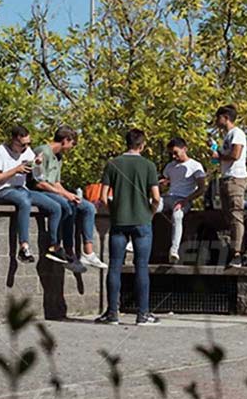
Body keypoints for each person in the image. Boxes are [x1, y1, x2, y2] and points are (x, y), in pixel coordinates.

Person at [96, 128, 161, 326]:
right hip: (142, 221)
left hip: (119, 221)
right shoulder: (148, 165)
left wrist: (114, 210)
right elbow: (156, 197)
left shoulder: (113, 164)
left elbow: (102, 196)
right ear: (142, 145)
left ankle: (112, 313)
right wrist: (150, 211)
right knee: (141, 266)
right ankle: (143, 314)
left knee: (114, 265)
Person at [30, 127, 105, 270]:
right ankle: (67, 251)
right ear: (65, 140)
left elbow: (56, 182)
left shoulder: (58, 157)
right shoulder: (43, 152)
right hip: (40, 191)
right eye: (72, 144)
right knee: (67, 205)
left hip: (54, 191)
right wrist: (65, 195)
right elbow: (39, 182)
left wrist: (70, 194)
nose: (72, 148)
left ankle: (88, 253)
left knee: (88, 207)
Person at [0, 125, 62, 263]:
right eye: (23, 145)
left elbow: (38, 177)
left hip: (21, 189)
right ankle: (24, 247)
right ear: (14, 141)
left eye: (29, 143)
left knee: (55, 206)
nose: (26, 147)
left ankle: (54, 246)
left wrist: (38, 165)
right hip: (2, 190)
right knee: (24, 201)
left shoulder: (28, 152)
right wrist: (16, 170)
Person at [157, 137, 207, 263]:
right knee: (149, 206)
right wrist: (163, 184)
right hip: (169, 197)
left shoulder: (195, 166)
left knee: (177, 215)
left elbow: (202, 188)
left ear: (184, 149)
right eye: (171, 154)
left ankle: (174, 250)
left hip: (184, 198)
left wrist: (186, 200)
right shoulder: (170, 166)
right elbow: (167, 180)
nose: (173, 156)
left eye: (175, 152)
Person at [211, 105, 247, 267]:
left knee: (236, 216)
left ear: (225, 117)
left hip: (236, 178)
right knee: (228, 216)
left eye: (218, 117)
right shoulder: (227, 136)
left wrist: (219, 156)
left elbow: (235, 155)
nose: (216, 121)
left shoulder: (237, 133)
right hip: (226, 178)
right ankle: (234, 250)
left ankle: (237, 254)